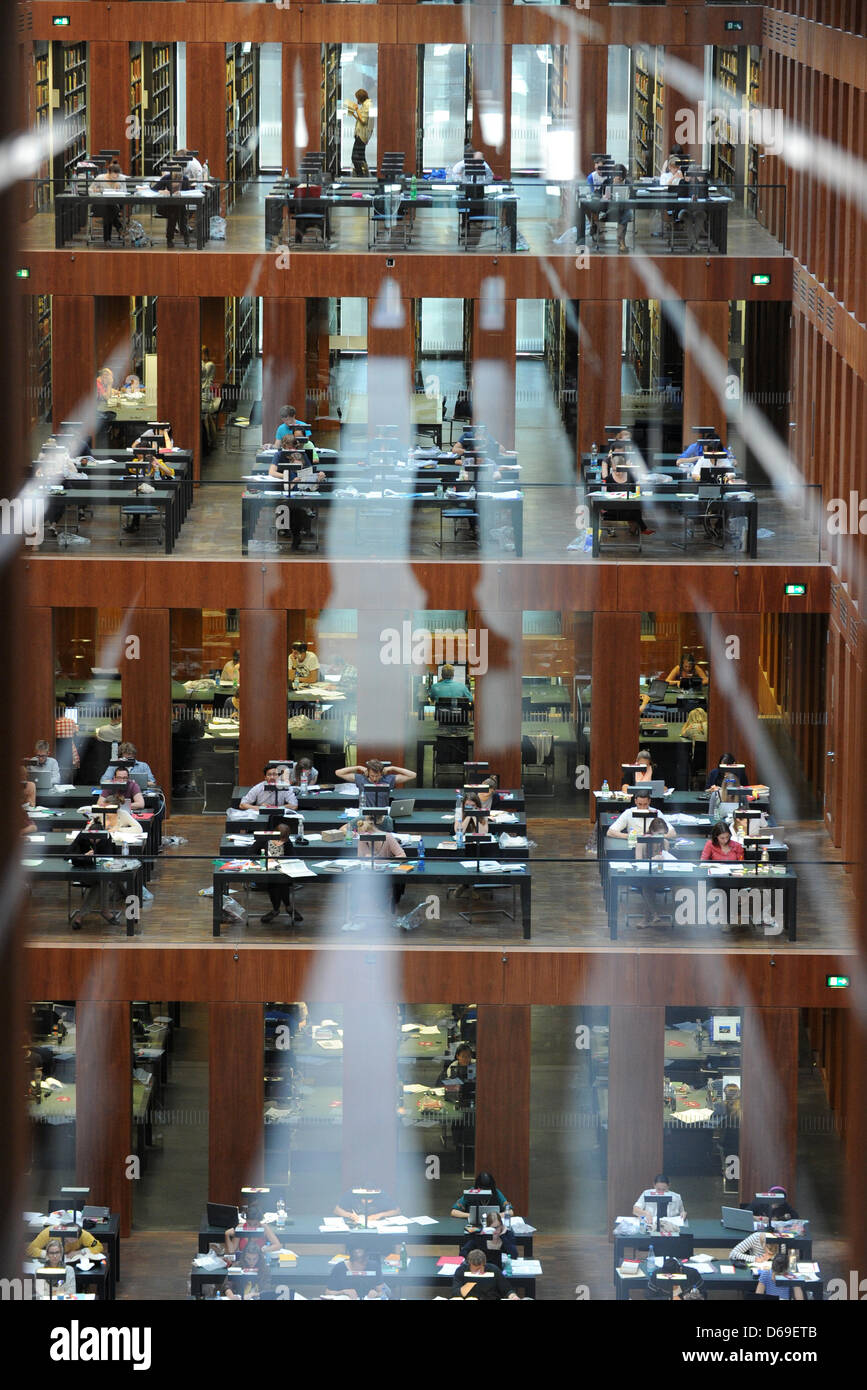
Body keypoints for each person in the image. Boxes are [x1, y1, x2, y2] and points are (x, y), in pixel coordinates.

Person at [260, 821, 304, 925]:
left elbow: (293, 857)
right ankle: (288, 907)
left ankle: (276, 910)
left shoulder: (287, 842)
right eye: (278, 840)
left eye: (283, 841)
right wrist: (265, 859)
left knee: (281, 881)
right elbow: (250, 853)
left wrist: (280, 859)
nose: (280, 843)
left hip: (282, 871)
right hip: (265, 872)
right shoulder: (263, 840)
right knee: (276, 882)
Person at [601, 454, 652, 537]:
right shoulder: (608, 479)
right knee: (635, 512)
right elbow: (604, 496)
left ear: (624, 467)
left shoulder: (631, 478)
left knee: (636, 509)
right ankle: (642, 528)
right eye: (614, 470)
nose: (617, 473)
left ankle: (634, 530)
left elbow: (638, 494)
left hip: (629, 509)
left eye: (619, 470)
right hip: (612, 510)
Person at [324, 1245, 393, 1300]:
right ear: (351, 1261)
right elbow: (328, 1292)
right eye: (359, 1263)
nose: (362, 1267)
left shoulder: (373, 1266)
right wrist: (343, 1292)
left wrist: (377, 1293)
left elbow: (385, 1291)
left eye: (364, 1263)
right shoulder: (340, 1268)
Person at [450, 1248, 520, 1300]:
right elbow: (455, 1293)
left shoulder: (493, 1269)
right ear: (469, 1264)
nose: (479, 1271)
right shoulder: (461, 1271)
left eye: (480, 1267)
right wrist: (472, 1282)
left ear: (484, 1263)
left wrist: (513, 1296)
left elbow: (507, 1289)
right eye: (475, 1269)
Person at [606, 790, 675, 842]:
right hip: (634, 843)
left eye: (645, 804)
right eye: (640, 804)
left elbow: (672, 833)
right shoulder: (628, 813)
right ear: (635, 801)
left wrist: (654, 837)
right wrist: (631, 836)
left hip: (653, 844)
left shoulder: (657, 812)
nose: (642, 807)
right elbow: (610, 832)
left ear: (649, 801)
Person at [150, 164, 192, 247]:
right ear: (171, 176)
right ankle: (184, 233)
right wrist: (161, 191)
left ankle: (170, 238)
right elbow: (153, 189)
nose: (176, 182)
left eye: (179, 179)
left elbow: (188, 193)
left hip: (178, 207)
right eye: (174, 179)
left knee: (175, 212)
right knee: (176, 211)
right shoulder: (166, 178)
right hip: (164, 206)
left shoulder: (185, 179)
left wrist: (181, 193)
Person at [336, 759, 416, 800]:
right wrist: (358, 767)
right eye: (372, 775)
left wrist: (392, 768)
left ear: (382, 773)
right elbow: (338, 772)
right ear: (367, 773)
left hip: (383, 814)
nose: (374, 778)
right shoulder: (361, 779)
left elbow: (412, 775)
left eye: (377, 776)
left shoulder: (388, 779)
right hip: (365, 814)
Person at [90, 160, 124, 244]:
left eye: (117, 176)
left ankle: (107, 239)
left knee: (108, 210)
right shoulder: (100, 178)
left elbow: (124, 193)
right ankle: (119, 226)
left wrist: (119, 188)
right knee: (108, 209)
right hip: (99, 205)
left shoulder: (120, 179)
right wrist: (97, 190)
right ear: (108, 173)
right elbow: (90, 190)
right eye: (113, 176)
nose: (116, 177)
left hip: (113, 207)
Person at [27, 1223, 103, 1260]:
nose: (69, 1240)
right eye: (67, 1236)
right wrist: (48, 1254)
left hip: (73, 1262)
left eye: (73, 1238)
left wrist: (79, 1252)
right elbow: (30, 1249)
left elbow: (98, 1246)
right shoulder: (49, 1232)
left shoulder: (84, 1235)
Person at [601, 163, 632, 253]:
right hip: (610, 210)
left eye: (620, 176)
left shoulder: (627, 183)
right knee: (626, 214)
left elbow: (633, 196)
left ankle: (621, 238)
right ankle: (621, 240)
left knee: (626, 212)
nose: (618, 177)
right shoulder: (607, 182)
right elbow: (600, 194)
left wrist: (622, 186)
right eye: (616, 175)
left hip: (623, 209)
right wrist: (614, 185)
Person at [334, 1184, 400, 1224]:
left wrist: (380, 1215)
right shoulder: (352, 1193)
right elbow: (336, 1210)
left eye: (370, 1195)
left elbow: (397, 1211)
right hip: (356, 1225)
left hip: (377, 1227)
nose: (367, 1199)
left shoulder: (381, 1195)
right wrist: (350, 1215)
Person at [347, 88, 372, 175]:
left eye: (357, 98)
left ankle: (360, 175)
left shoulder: (367, 105)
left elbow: (364, 121)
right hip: (361, 134)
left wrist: (357, 110)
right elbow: (361, 120)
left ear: (360, 98)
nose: (357, 100)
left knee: (354, 157)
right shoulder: (366, 105)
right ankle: (364, 174)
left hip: (361, 135)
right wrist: (353, 113)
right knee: (361, 157)